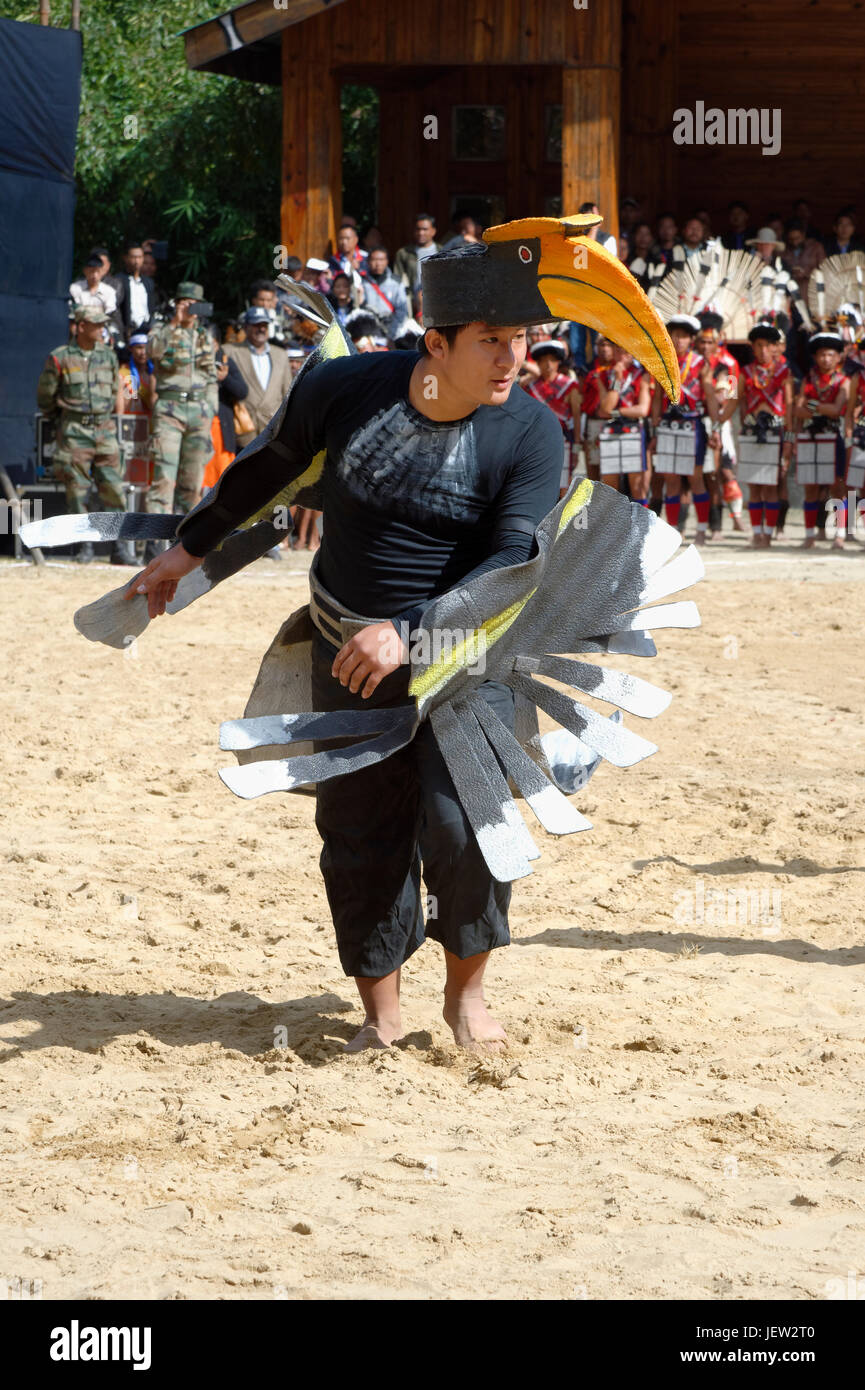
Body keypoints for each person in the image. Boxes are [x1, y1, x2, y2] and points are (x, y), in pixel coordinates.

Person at [124, 224, 680, 1053]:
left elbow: (510, 562)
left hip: (468, 656)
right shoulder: (346, 390)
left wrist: (411, 631)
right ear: (436, 342)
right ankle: (380, 1017)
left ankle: (466, 1000)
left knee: (467, 828)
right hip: (345, 652)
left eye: (521, 341)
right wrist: (187, 548)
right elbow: (271, 464)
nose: (511, 360)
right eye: (491, 341)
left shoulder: (527, 433)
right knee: (359, 834)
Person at [36, 306, 135, 565]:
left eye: (103, 324)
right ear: (80, 327)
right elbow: (45, 397)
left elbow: (116, 390)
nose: (102, 328)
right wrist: (63, 420)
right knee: (77, 493)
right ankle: (85, 547)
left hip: (105, 431)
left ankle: (119, 548)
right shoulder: (60, 357)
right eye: (96, 324)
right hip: (75, 432)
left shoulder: (108, 356)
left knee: (114, 490)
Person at [143, 282, 218, 555]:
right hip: (170, 408)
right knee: (164, 476)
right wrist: (175, 322)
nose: (190, 309)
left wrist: (210, 410)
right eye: (185, 302)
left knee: (192, 480)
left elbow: (211, 376)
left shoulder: (204, 337)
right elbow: (153, 352)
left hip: (198, 410)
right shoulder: (162, 331)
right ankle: (153, 541)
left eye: (194, 304)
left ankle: (186, 543)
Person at [649, 314, 720, 544]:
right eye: (674, 335)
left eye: (683, 336)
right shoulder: (663, 362)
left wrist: (716, 427)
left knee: (696, 478)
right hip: (668, 425)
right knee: (671, 479)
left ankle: (701, 528)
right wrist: (655, 427)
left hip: (693, 423)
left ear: (691, 339)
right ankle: (673, 530)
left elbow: (711, 396)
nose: (678, 340)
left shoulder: (702, 364)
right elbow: (658, 397)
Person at [722, 323, 793, 548]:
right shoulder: (742, 373)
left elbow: (789, 405)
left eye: (768, 346)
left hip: (775, 431)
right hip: (752, 431)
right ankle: (757, 531)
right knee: (754, 486)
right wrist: (718, 423)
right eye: (759, 345)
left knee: (771, 486)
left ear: (775, 348)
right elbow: (733, 399)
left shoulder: (785, 372)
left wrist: (790, 438)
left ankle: (768, 534)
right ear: (753, 347)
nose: (764, 350)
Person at [793, 331, 850, 549]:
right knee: (811, 487)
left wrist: (813, 405)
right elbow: (798, 410)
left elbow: (837, 410)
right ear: (815, 357)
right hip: (809, 437)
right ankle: (810, 535)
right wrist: (821, 409)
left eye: (830, 354)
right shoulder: (808, 379)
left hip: (833, 437)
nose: (826, 359)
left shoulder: (844, 381)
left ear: (837, 357)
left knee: (837, 487)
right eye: (822, 355)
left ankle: (841, 534)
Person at [696, 311, 744, 534]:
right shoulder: (691, 362)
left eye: (710, 342)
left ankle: (737, 517)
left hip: (720, 422)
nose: (706, 346)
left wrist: (720, 418)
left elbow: (731, 397)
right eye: (702, 342)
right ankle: (713, 523)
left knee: (725, 471)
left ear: (718, 340)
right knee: (707, 474)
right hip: (698, 420)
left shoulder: (728, 363)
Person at [224, 306, 295, 447]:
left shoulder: (281, 354)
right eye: (256, 325)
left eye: (264, 325)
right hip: (243, 431)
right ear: (245, 327)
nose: (261, 329)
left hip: (274, 432)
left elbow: (288, 393)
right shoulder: (230, 351)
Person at [521, 339, 581, 496]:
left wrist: (576, 447)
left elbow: (576, 416)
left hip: (563, 441)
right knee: (540, 483)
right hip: (537, 441)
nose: (548, 365)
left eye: (552, 360)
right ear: (538, 363)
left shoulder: (569, 385)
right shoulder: (530, 386)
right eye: (543, 361)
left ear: (558, 362)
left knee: (563, 486)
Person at [598, 347, 652, 504]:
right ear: (615, 353)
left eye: (628, 352)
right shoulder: (603, 374)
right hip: (610, 431)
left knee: (637, 485)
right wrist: (616, 379)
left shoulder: (642, 375)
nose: (623, 356)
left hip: (633, 430)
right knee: (610, 485)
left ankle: (642, 527)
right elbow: (605, 409)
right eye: (620, 351)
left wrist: (617, 412)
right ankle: (611, 527)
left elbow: (642, 409)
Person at [359, 247, 411, 341]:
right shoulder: (361, 281)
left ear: (387, 261)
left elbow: (402, 311)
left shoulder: (396, 282)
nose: (378, 263)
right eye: (374, 259)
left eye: (381, 260)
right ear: (368, 261)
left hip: (392, 331)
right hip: (369, 332)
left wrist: (392, 333)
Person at [115, 241, 157, 343]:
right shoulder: (118, 280)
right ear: (126, 258)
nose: (136, 261)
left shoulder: (148, 282)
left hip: (146, 329)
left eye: (139, 257)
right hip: (127, 331)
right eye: (133, 257)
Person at [393, 213, 441, 298]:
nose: (421, 233)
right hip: (412, 302)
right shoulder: (404, 253)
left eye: (425, 229)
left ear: (433, 231)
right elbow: (397, 279)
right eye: (418, 229)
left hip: (438, 299)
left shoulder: (442, 251)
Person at [69, 254, 118, 323]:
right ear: (85, 271)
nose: (95, 275)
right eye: (91, 271)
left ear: (102, 272)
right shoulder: (75, 288)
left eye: (98, 271)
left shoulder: (109, 291)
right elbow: (73, 310)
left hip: (101, 326)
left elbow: (110, 311)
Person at [782, 219, 825, 292]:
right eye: (791, 239)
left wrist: (806, 273)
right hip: (789, 292)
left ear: (803, 235)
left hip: (811, 292)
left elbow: (824, 270)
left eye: (797, 238)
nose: (794, 242)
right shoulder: (783, 250)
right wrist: (790, 272)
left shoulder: (816, 247)